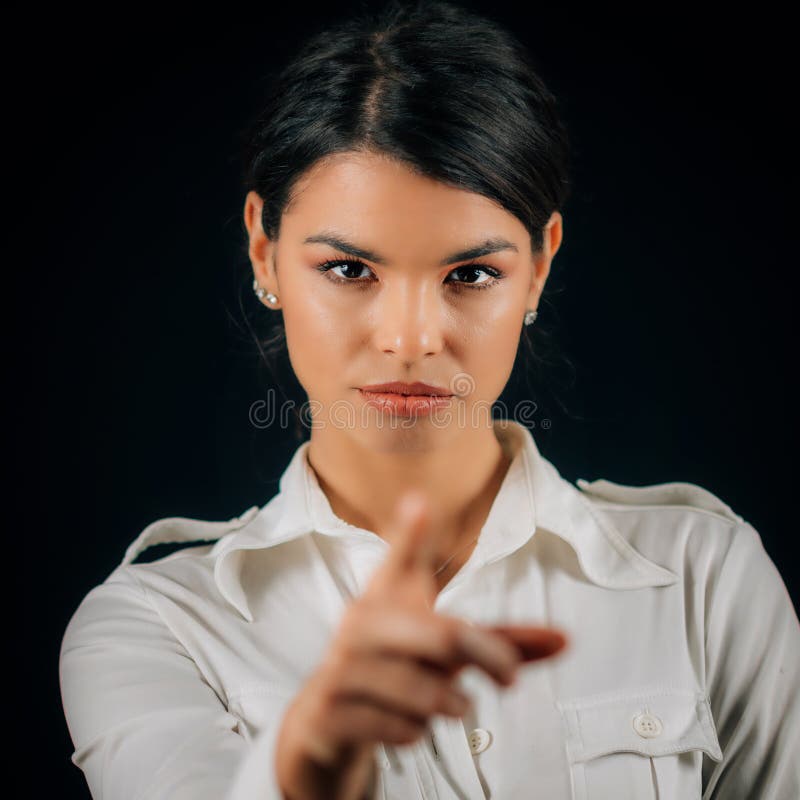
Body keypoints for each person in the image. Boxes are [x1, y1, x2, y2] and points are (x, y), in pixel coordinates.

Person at [59, 1, 800, 798]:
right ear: (265, 253)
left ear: (539, 268)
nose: (410, 339)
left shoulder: (702, 580)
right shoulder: (153, 627)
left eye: (470, 274)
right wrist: (306, 769)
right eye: (349, 270)